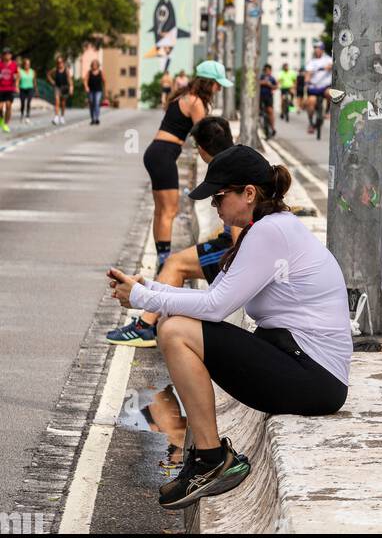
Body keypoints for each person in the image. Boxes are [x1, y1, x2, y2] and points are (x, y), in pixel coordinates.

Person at [108, 144, 352, 510]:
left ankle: (210, 459)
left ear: (248, 193)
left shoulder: (271, 232)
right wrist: (147, 287)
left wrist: (143, 297)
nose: (214, 207)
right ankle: (208, 457)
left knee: (174, 331)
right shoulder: (265, 229)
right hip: (297, 364)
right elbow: (217, 294)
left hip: (315, 377)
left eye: (219, 197)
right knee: (174, 325)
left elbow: (215, 306)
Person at [106, 115, 236, 347]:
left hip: (233, 247)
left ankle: (145, 326)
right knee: (174, 262)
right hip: (230, 241)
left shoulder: (228, 170)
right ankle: (149, 321)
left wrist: (233, 269)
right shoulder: (235, 159)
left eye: (197, 147)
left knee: (175, 264)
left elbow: (240, 231)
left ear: (204, 149)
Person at [143, 60, 228, 270]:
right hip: (163, 153)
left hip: (157, 153)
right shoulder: (196, 102)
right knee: (169, 210)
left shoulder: (183, 96)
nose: (218, 89)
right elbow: (207, 134)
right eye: (217, 84)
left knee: (162, 210)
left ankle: (161, 259)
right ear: (208, 83)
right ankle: (164, 263)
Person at [303, 42, 333, 135]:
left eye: (318, 48)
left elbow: (332, 66)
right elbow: (307, 74)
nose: (317, 50)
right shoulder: (311, 62)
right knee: (311, 102)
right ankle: (311, 123)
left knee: (330, 93)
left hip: (325, 86)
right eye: (315, 48)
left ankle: (328, 111)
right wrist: (307, 81)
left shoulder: (328, 59)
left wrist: (329, 67)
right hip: (314, 87)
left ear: (322, 50)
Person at [48, 56, 72, 125]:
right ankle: (56, 117)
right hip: (57, 87)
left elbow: (69, 79)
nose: (59, 64)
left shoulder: (66, 70)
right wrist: (52, 81)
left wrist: (71, 87)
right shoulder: (55, 69)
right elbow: (48, 74)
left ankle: (62, 117)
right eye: (58, 62)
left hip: (65, 87)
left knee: (63, 103)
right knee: (57, 101)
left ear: (63, 63)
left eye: (61, 62)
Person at [0, 49, 19, 133]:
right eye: (5, 54)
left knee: (8, 106)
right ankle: (1, 120)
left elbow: (18, 75)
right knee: (0, 107)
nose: (7, 55)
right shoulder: (0, 64)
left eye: (9, 54)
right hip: (0, 88)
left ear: (11, 55)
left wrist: (17, 85)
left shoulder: (14, 65)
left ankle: (6, 124)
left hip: (10, 88)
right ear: (3, 55)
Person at [259, 63, 277, 138]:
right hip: (260, 97)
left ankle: (272, 128)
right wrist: (263, 82)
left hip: (269, 97)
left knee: (270, 111)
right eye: (266, 71)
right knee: (258, 112)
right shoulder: (261, 77)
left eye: (269, 70)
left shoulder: (272, 78)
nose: (267, 72)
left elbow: (275, 86)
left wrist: (269, 85)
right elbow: (257, 83)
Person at [86, 59, 105, 125]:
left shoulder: (100, 72)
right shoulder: (89, 72)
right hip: (91, 90)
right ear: (91, 65)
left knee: (96, 103)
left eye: (95, 65)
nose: (94, 66)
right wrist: (86, 87)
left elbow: (104, 81)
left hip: (98, 90)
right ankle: (92, 119)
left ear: (97, 65)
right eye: (93, 65)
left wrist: (104, 89)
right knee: (91, 104)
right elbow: (85, 80)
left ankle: (97, 118)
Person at [18, 58, 35, 123]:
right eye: (26, 64)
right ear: (24, 65)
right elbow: (17, 80)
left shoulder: (32, 71)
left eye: (28, 64)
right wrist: (17, 87)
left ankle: (27, 116)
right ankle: (22, 114)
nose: (27, 65)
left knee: (28, 102)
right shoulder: (20, 71)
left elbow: (34, 81)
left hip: (30, 88)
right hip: (22, 89)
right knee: (22, 103)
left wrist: (36, 90)